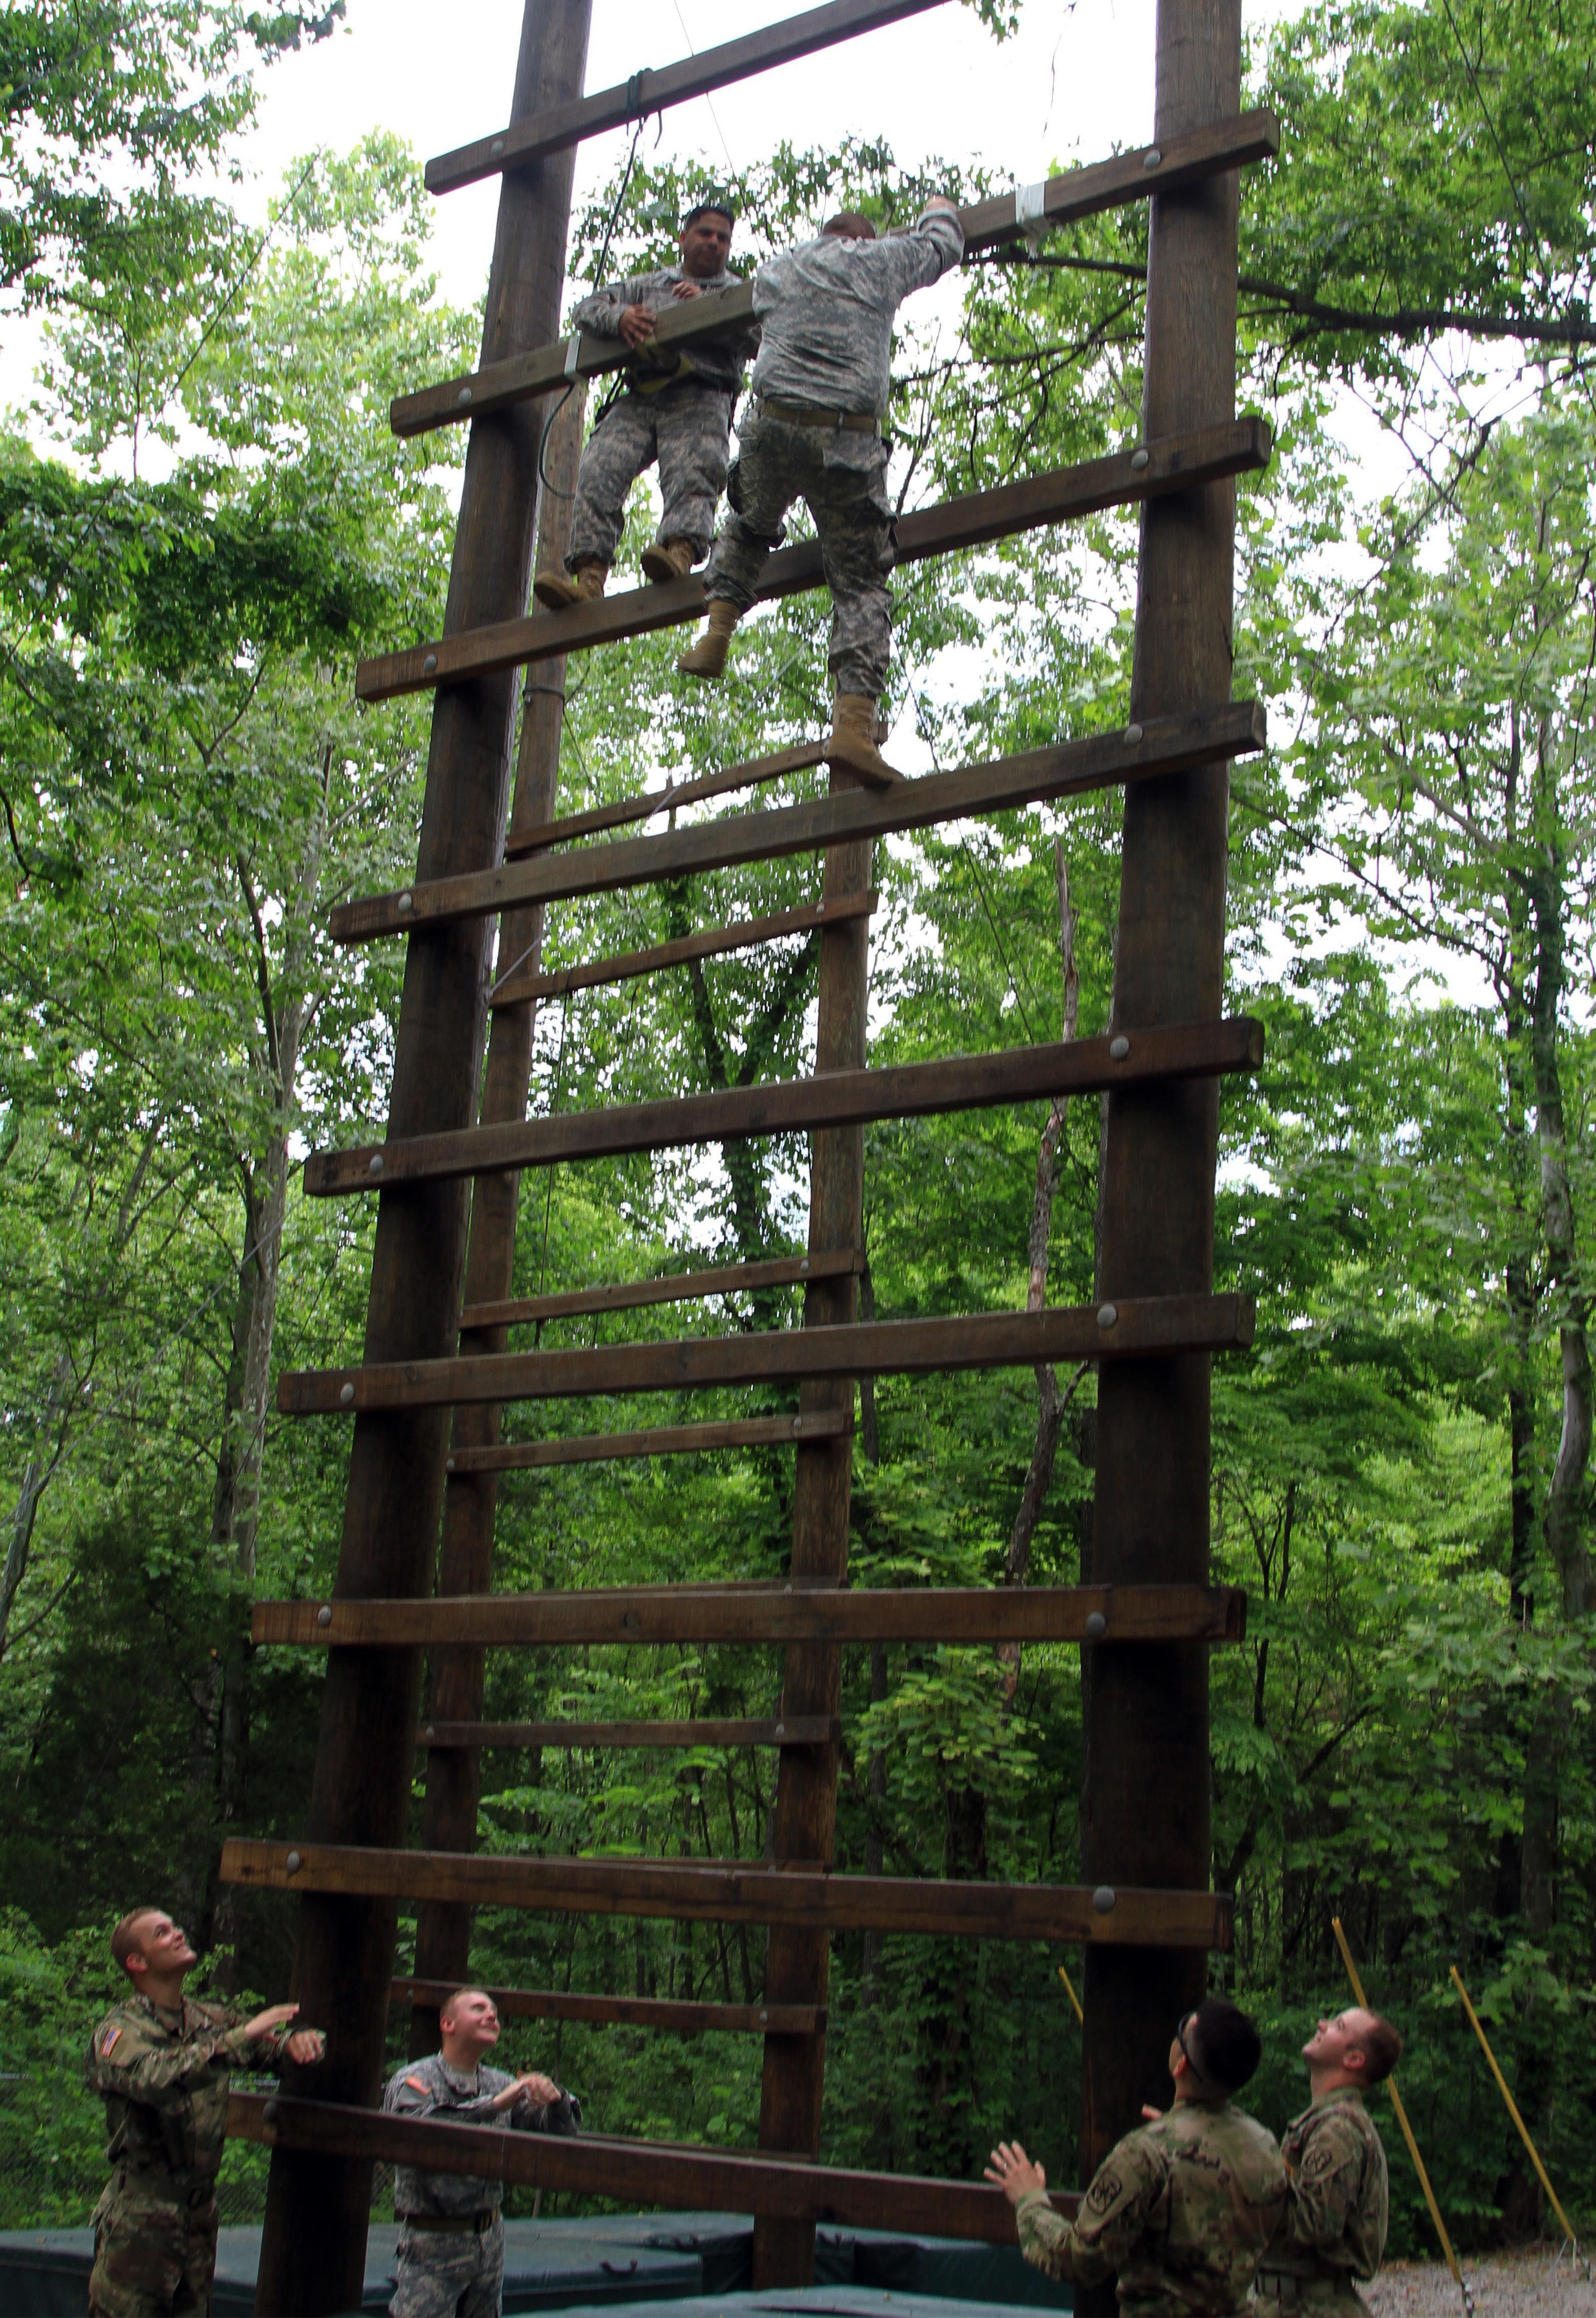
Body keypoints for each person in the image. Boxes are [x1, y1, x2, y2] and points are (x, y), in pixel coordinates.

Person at [676, 195, 965, 787]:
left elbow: (749, 325)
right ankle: (853, 727)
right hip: (844, 439)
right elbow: (943, 247)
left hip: (773, 424)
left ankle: (717, 630)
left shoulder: (783, 267)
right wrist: (937, 208)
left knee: (751, 522)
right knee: (860, 582)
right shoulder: (880, 260)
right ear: (865, 239)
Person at [85, 1906, 325, 2318]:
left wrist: (298, 2042)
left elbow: (271, 2044)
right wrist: (242, 2036)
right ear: (137, 1962)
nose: (177, 1933)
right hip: (140, 2221)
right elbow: (155, 2077)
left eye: (175, 1926)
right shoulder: (119, 2031)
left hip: (198, 2218)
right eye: (162, 1933)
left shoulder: (208, 2019)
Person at [985, 1996, 1287, 2317]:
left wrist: (1029, 2199)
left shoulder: (1144, 2156)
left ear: (1181, 2063)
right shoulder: (1265, 2145)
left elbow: (1081, 2260)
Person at [534, 198, 758, 609]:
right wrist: (619, 319)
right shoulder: (649, 285)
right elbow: (587, 309)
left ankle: (679, 553)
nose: (714, 243)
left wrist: (707, 311)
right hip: (643, 393)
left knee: (694, 472)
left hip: (702, 392)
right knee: (599, 468)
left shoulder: (739, 292)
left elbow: (760, 339)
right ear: (684, 238)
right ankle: (589, 574)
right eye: (705, 233)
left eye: (723, 238)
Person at [383, 1985, 581, 2318]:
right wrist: (495, 2105)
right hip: (433, 2241)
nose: (492, 2015)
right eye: (478, 2008)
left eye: (495, 2012)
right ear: (448, 2024)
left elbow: (559, 2132)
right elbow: (419, 2130)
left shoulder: (499, 2082)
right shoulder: (416, 2078)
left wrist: (557, 2099)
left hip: (488, 2240)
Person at [1252, 2007, 1400, 2318]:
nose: (1321, 2024)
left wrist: (1234, 2167)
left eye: (1338, 2026)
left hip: (1309, 2307)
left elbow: (1316, 2224)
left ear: (1354, 2060)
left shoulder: (1338, 2129)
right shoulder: (1325, 2122)